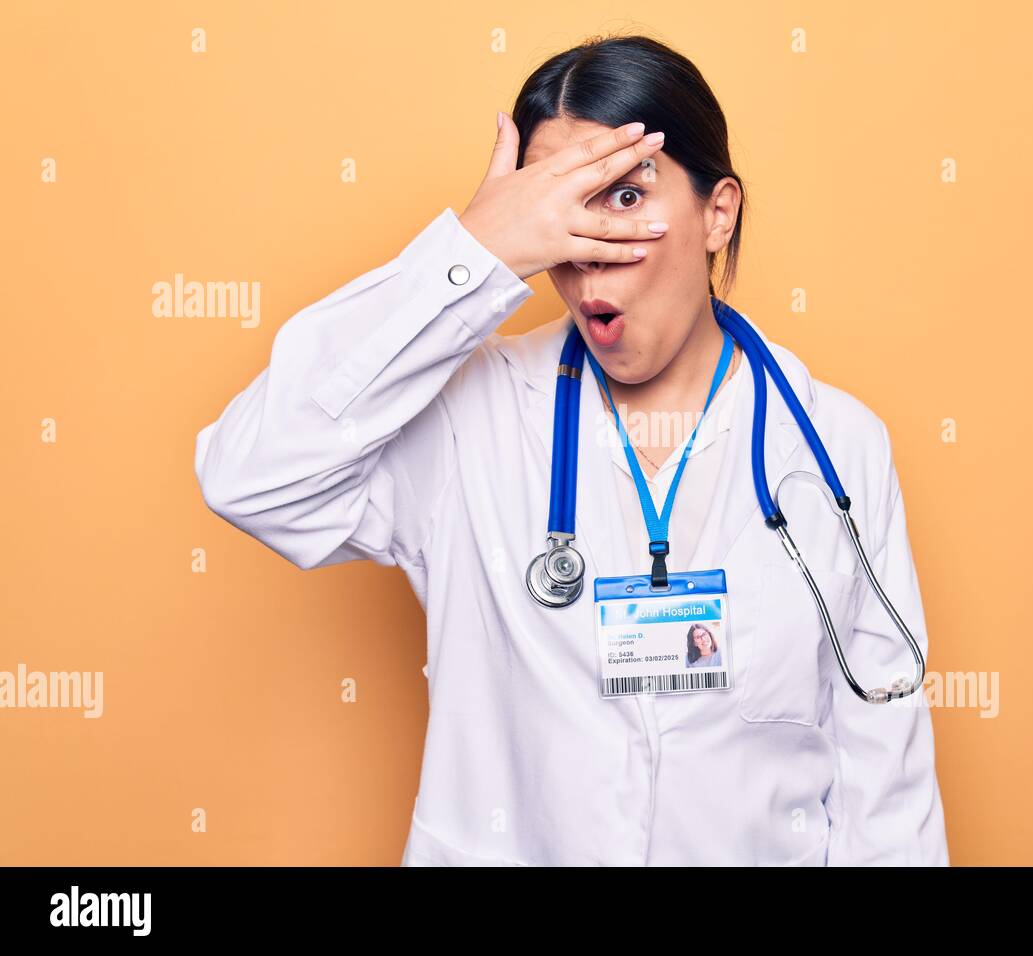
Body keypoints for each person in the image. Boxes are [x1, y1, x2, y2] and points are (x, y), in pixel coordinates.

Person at [194, 34, 949, 866]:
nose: (588, 246)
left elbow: (887, 798)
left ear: (718, 212)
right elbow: (251, 477)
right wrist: (473, 254)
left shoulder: (837, 446)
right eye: (560, 209)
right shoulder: (465, 422)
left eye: (624, 196)